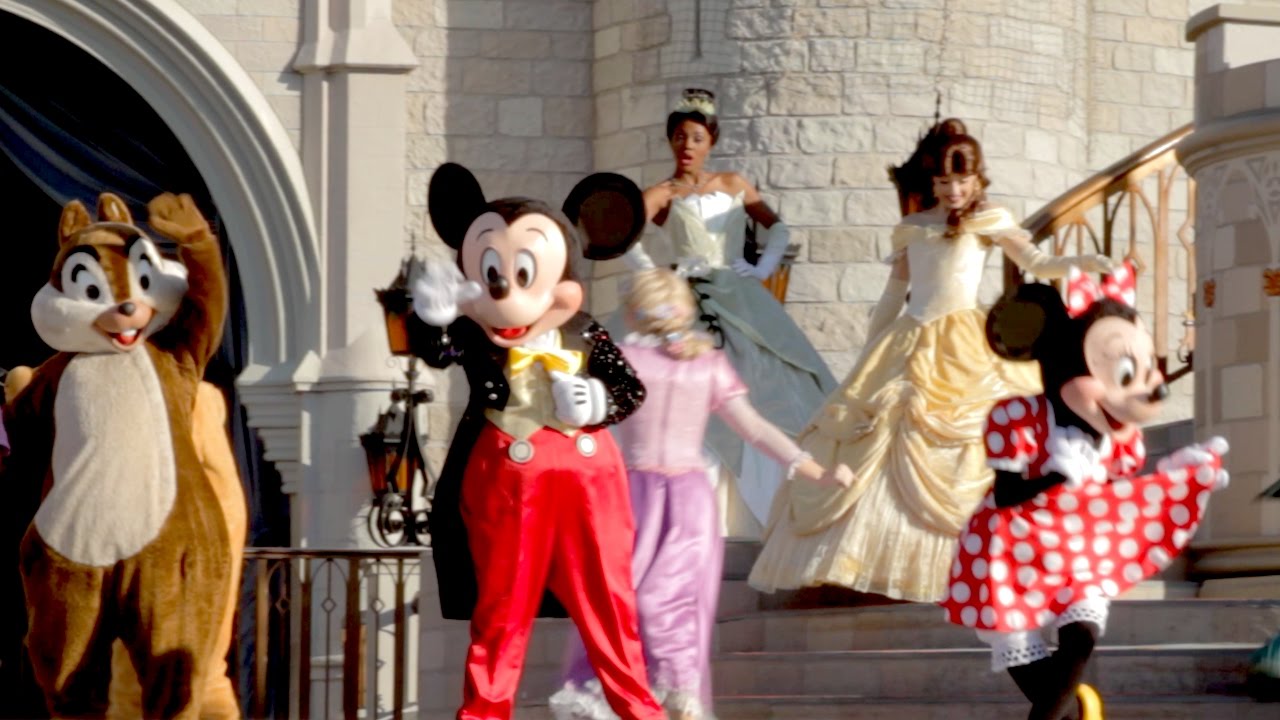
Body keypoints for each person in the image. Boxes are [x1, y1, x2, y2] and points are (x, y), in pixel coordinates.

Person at [749, 121, 1115, 602]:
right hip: (907, 339)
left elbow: (1036, 263)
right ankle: (860, 568)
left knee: (972, 437)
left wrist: (1081, 263)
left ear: (978, 180)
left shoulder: (991, 221)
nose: (954, 191)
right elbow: (893, 294)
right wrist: (869, 353)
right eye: (944, 183)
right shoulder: (913, 230)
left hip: (965, 341)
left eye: (962, 182)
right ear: (932, 184)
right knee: (878, 435)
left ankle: (979, 565)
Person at [550, 268, 853, 720]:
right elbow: (755, 428)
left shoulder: (631, 360)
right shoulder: (680, 361)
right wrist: (814, 470)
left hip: (647, 497)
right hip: (668, 498)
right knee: (650, 597)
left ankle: (647, 688)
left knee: (637, 597)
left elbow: (752, 427)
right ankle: (664, 689)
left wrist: (813, 470)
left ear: (634, 309)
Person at [942, 265, 1229, 720]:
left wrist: (1176, 477)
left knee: (1082, 638)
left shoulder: (1120, 440)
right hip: (1008, 554)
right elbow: (1009, 491)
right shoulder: (1019, 417)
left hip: (1075, 550)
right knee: (1046, 682)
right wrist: (1057, 476)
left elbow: (1118, 497)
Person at [619, 88, 837, 537]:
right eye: (679, 137)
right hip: (687, 299)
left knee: (768, 380)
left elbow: (778, 228)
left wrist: (762, 267)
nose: (687, 146)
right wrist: (658, 275)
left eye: (696, 137)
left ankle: (776, 512)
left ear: (710, 141)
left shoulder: (734, 184)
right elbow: (621, 233)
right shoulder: (661, 192)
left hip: (739, 296)